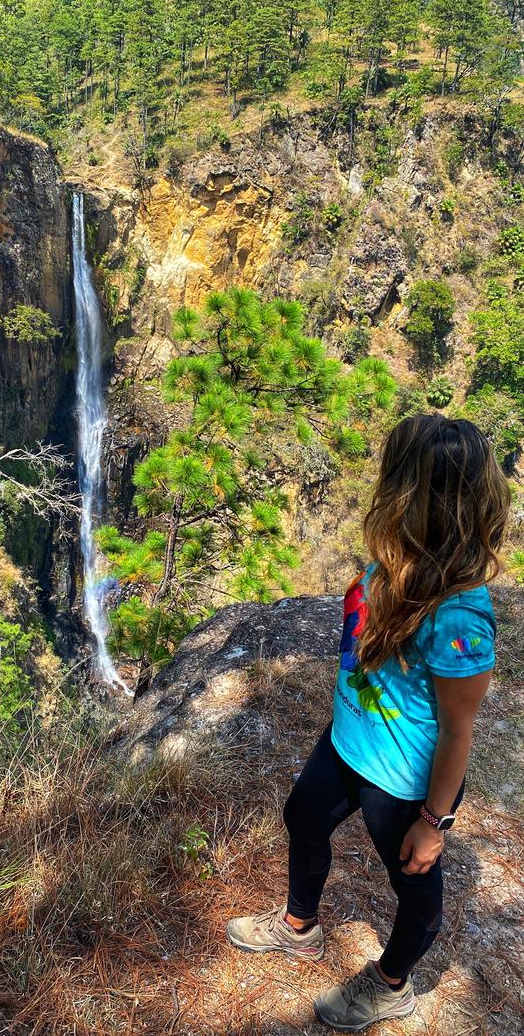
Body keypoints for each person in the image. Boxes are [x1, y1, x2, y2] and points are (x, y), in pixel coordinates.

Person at [227, 415, 511, 1031]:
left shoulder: (460, 614)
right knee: (302, 818)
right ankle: (298, 926)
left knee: (413, 883)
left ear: (418, 495)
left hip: (402, 778)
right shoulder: (396, 560)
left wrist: (434, 823)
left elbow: (459, 731)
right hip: (348, 741)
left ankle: (391, 984)